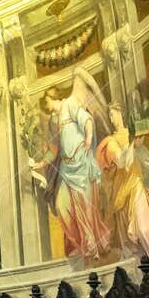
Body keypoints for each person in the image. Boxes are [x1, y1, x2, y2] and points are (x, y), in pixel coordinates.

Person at [34, 74, 110, 263]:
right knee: (63, 206)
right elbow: (55, 150)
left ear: (53, 97)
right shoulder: (55, 119)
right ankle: (83, 244)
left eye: (47, 101)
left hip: (81, 164)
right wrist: (40, 164)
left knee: (85, 208)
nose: (46, 106)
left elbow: (87, 119)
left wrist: (89, 138)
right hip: (67, 169)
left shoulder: (69, 103)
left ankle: (92, 247)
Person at [97, 108, 149, 268]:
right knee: (130, 243)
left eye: (113, 114)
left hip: (135, 186)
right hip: (120, 194)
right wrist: (132, 145)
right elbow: (121, 162)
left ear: (121, 113)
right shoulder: (110, 142)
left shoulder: (134, 133)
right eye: (109, 116)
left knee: (143, 228)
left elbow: (146, 157)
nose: (111, 118)